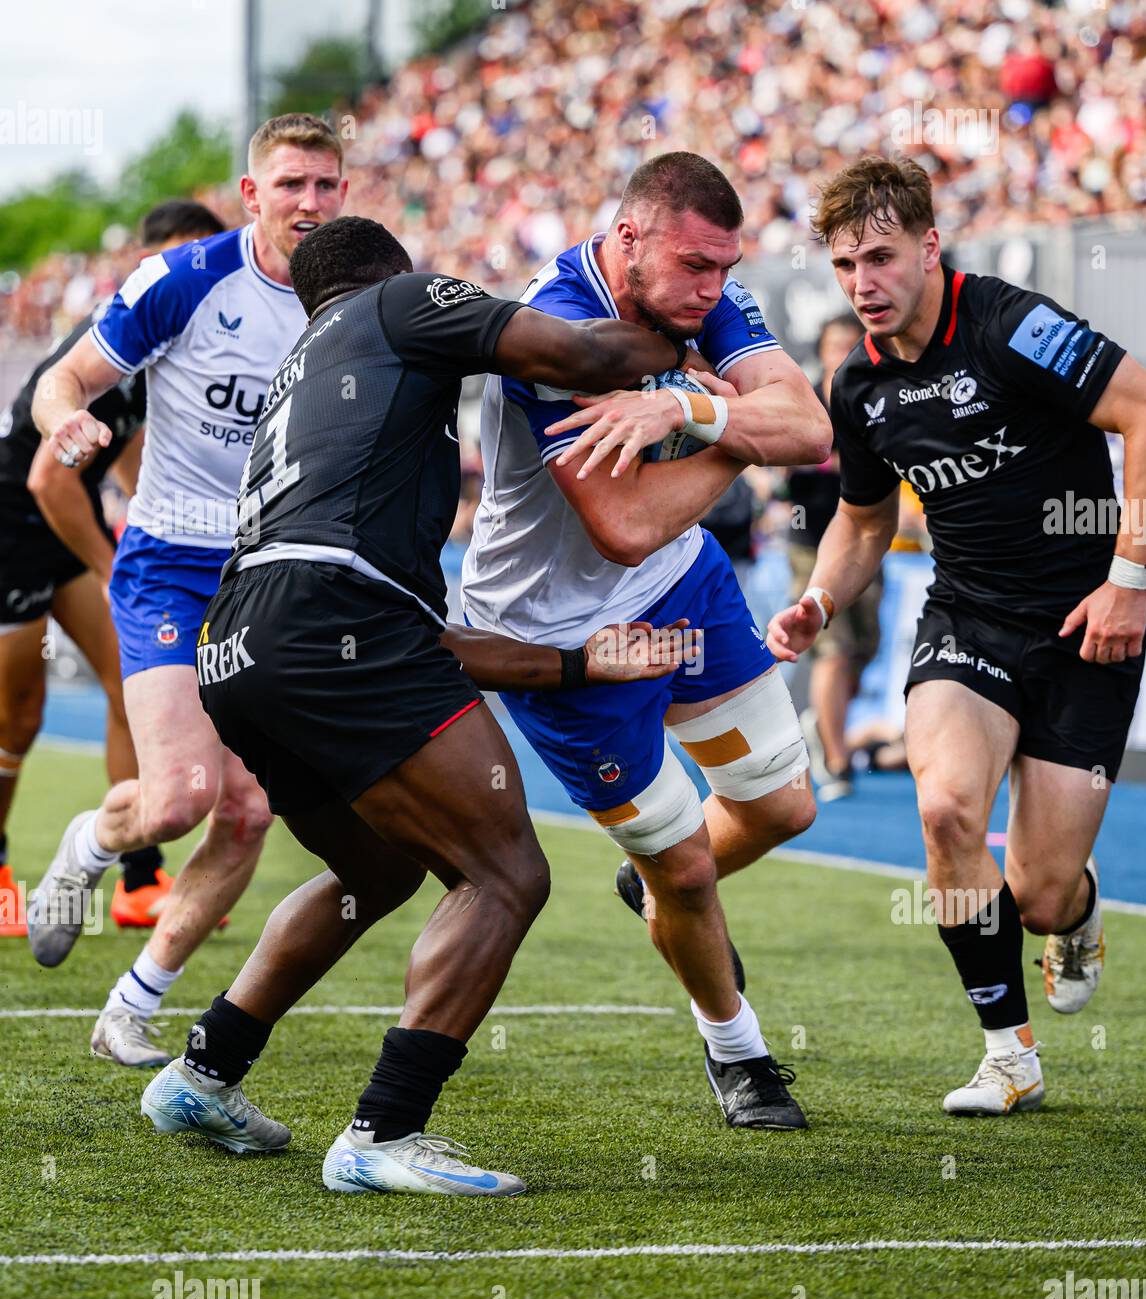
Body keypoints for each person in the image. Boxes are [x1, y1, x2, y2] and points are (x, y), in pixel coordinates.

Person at [140, 216, 700, 1196]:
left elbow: (420, 646)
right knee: (506, 872)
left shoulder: (309, 379)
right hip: (326, 624)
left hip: (243, 639)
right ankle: (382, 1133)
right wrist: (694, 326)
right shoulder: (401, 303)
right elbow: (582, 352)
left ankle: (203, 1071)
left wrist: (580, 662)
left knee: (378, 867)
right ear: (390, 277)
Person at [768, 155, 1146, 1115]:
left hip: (1089, 629)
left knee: (1037, 894)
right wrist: (822, 601)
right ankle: (1009, 1054)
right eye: (843, 267)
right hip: (968, 619)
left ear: (928, 246)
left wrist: (1129, 580)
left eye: (879, 258)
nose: (863, 284)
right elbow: (865, 521)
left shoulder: (1011, 325)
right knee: (949, 811)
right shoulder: (858, 385)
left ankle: (1075, 912)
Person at [461, 153, 831, 1130]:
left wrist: (685, 405)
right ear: (627, 238)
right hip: (560, 631)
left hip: (681, 583)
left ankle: (654, 884)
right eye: (695, 267)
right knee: (693, 868)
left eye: (725, 267)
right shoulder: (551, 330)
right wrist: (731, 439)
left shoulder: (700, 301)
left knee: (785, 807)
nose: (714, 292)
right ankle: (737, 1050)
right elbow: (621, 523)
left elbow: (809, 426)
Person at [26, 115, 348, 1072]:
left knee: (251, 811)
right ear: (252, 196)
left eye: (328, 185)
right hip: (170, 558)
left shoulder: (357, 296)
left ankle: (134, 1002)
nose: (312, 204)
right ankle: (89, 843)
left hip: (273, 573)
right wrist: (66, 425)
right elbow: (65, 378)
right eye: (292, 185)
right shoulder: (186, 280)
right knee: (178, 799)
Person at [0, 200, 224, 939]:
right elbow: (43, 480)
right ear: (150, 263)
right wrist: (112, 564)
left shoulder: (176, 342)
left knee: (129, 690)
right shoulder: (119, 333)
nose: (204, 272)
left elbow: (125, 445)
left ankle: (138, 878)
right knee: (17, 720)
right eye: (189, 255)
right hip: (15, 523)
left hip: (71, 524)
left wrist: (133, 508)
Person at [785, 314, 887, 802]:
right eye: (834, 345)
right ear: (822, 351)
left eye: (852, 344)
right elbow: (788, 459)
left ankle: (826, 724)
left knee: (865, 647)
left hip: (868, 541)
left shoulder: (877, 395)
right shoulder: (806, 398)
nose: (842, 353)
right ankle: (836, 758)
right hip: (813, 544)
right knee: (835, 648)